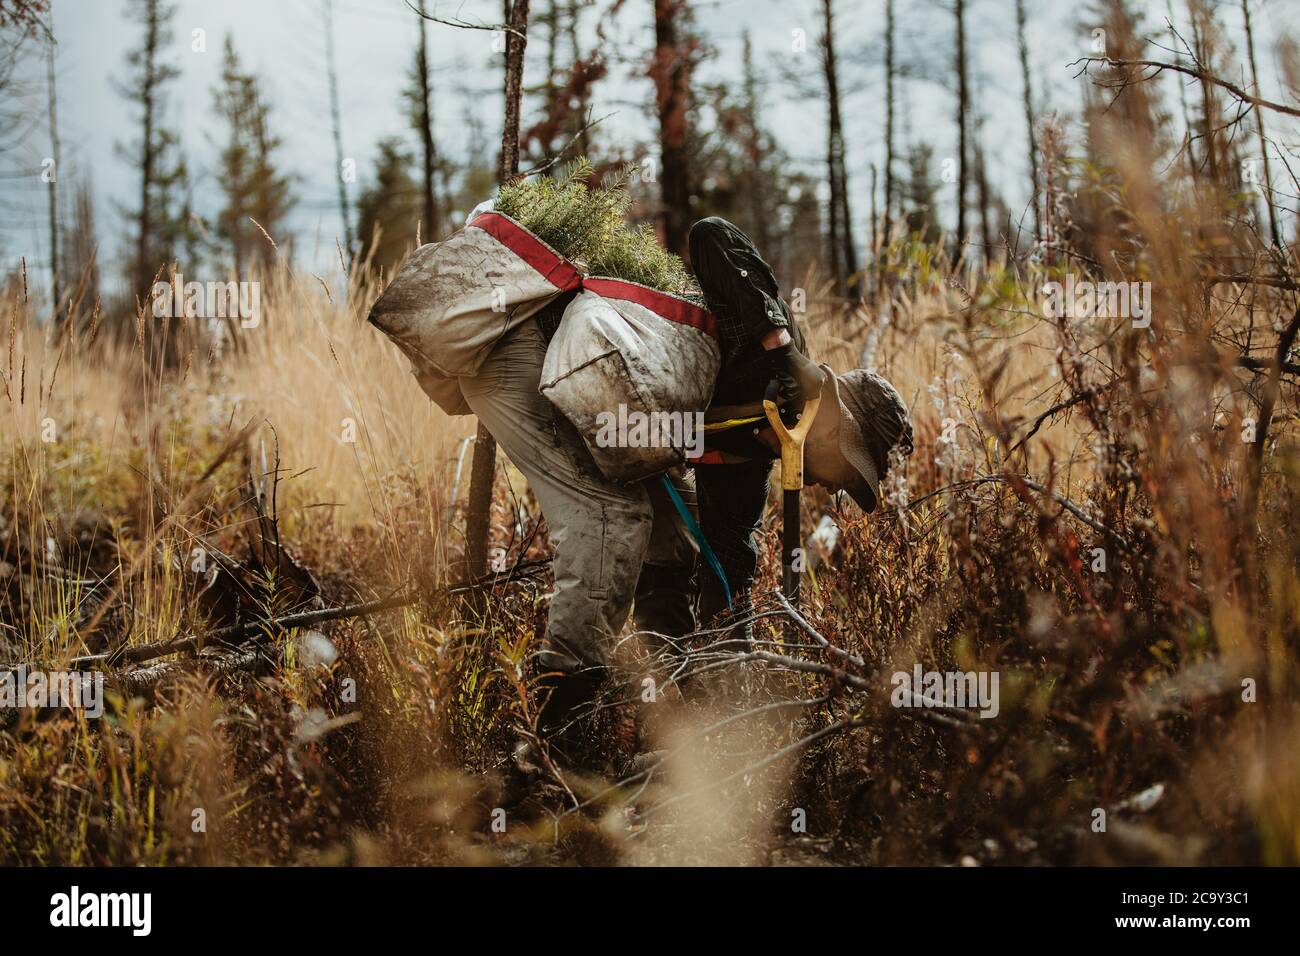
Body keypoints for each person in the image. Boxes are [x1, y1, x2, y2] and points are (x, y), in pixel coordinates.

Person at [454, 216, 912, 763]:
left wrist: (723, 675)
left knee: (671, 539)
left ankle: (664, 704)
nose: (828, 482)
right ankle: (555, 739)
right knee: (613, 523)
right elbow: (709, 234)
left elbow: (729, 562)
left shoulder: (750, 467)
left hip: (597, 405)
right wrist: (780, 344)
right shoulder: (768, 348)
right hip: (529, 347)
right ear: (834, 426)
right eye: (844, 468)